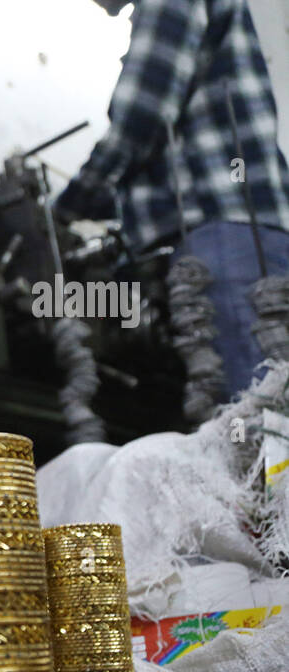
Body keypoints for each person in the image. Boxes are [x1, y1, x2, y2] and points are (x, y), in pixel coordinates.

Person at [57, 0, 289, 400]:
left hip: (221, 240)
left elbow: (140, 116)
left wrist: (66, 209)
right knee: (260, 423)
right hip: (242, 237)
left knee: (252, 426)